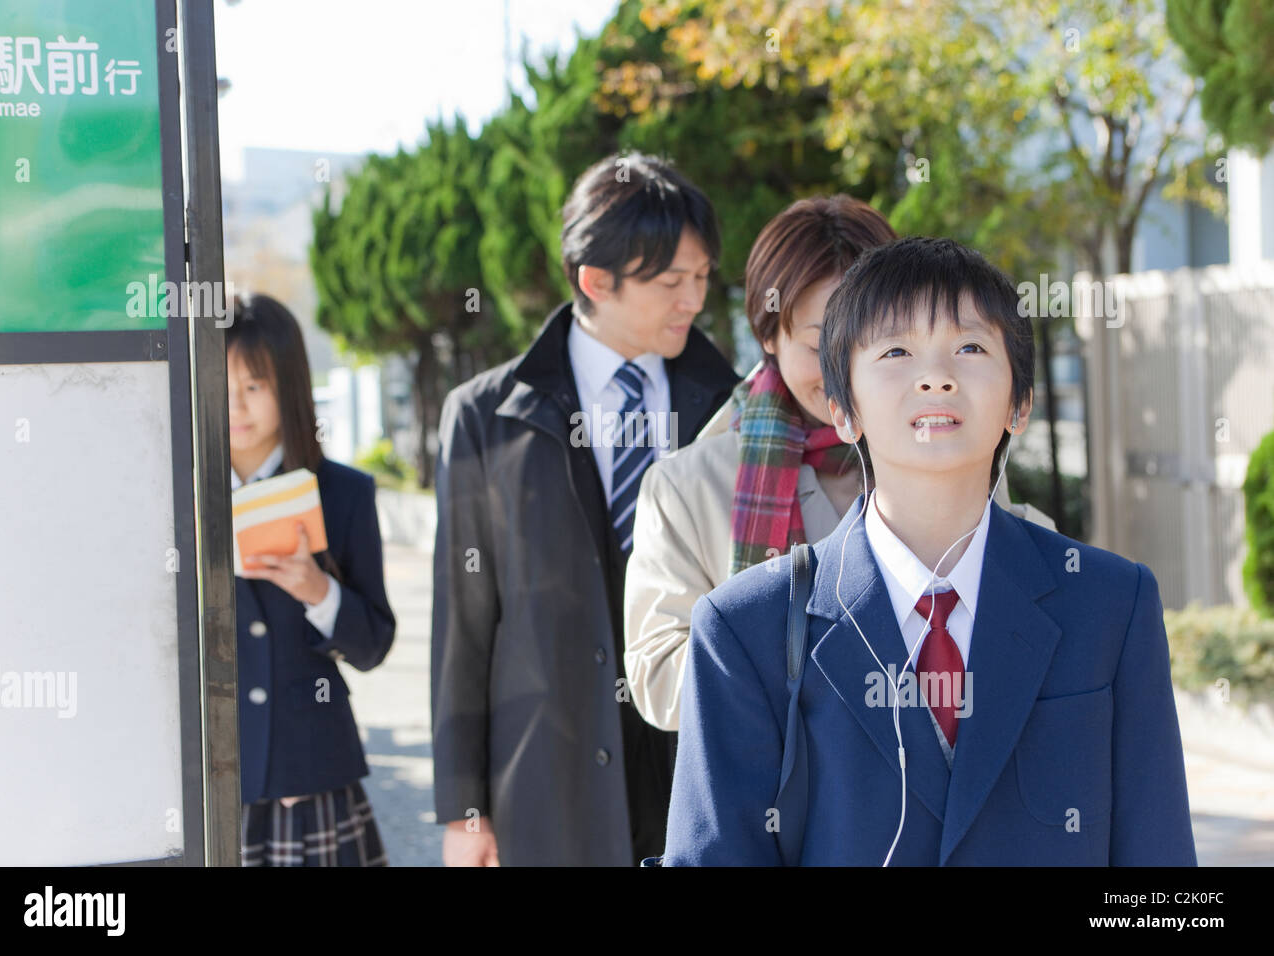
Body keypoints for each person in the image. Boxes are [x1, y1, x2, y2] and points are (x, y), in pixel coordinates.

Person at [663, 237, 1196, 865]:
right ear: (843, 410)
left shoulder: (1111, 603)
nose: (936, 375)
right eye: (896, 350)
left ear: (1019, 403)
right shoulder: (745, 628)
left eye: (970, 347)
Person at [625, 197, 1053, 732]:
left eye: (885, 345)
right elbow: (657, 675)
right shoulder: (687, 486)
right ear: (767, 336)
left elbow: (1003, 622)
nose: (843, 366)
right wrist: (822, 666)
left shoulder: (951, 452)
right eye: (822, 342)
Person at [431, 152, 741, 866]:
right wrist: (465, 809)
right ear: (595, 281)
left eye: (701, 277)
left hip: (694, 763)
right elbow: (464, 621)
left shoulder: (732, 407)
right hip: (547, 771)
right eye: (671, 282)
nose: (693, 300)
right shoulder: (486, 417)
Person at [226, 293, 396, 866]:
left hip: (311, 774)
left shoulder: (344, 494)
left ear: (288, 386)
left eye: (254, 385)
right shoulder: (177, 491)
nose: (237, 406)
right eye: (222, 385)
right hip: (211, 776)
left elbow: (373, 644)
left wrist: (317, 592)